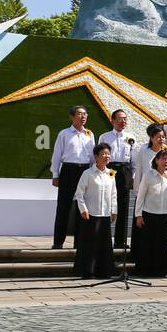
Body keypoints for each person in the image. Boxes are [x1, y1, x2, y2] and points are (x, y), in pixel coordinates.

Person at [50, 105, 95, 249]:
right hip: (68, 171)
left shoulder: (89, 134)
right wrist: (55, 174)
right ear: (72, 117)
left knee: (82, 207)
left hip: (85, 172)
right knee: (64, 207)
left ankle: (79, 242)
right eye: (80, 114)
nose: (83, 117)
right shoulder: (64, 134)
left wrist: (94, 172)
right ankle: (58, 242)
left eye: (85, 114)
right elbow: (57, 155)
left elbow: (93, 156)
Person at [73, 141, 118, 279]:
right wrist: (83, 209)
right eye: (103, 154)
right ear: (96, 156)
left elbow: (113, 193)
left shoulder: (111, 173)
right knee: (89, 245)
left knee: (104, 245)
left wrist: (114, 210)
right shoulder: (88, 173)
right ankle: (88, 271)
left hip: (105, 214)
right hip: (90, 214)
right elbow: (79, 194)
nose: (106, 156)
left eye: (108, 154)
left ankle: (104, 271)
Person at [98, 108, 138, 248]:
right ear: (112, 120)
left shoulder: (131, 138)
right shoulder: (105, 137)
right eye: (120, 118)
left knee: (123, 206)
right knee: (106, 202)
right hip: (110, 170)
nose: (123, 121)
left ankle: (120, 241)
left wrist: (133, 175)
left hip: (125, 171)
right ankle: (103, 239)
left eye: (125, 119)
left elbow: (134, 160)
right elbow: (99, 156)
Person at [133, 147, 167, 277]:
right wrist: (138, 215)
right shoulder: (149, 175)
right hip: (149, 213)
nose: (166, 161)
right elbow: (141, 195)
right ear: (156, 160)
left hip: (164, 214)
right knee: (148, 244)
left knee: (162, 244)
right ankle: (145, 270)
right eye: (163, 158)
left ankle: (162, 270)